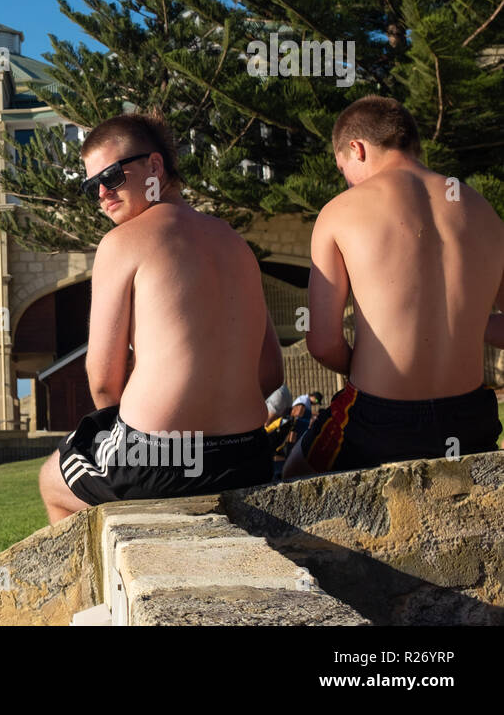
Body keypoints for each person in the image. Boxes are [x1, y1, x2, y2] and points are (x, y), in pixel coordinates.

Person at [38, 112, 281, 523]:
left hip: (159, 458)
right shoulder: (235, 242)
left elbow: (102, 379)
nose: (101, 193)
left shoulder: (122, 243)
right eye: (90, 185)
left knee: (51, 480)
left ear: (154, 166)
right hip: (248, 453)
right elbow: (271, 371)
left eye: (112, 176)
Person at [285, 97, 504, 476]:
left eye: (344, 169)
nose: (347, 180)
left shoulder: (340, 211)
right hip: (471, 418)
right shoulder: (479, 207)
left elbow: (321, 343)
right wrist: (465, 321)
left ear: (357, 148)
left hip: (380, 419)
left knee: (290, 479)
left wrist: (377, 365)